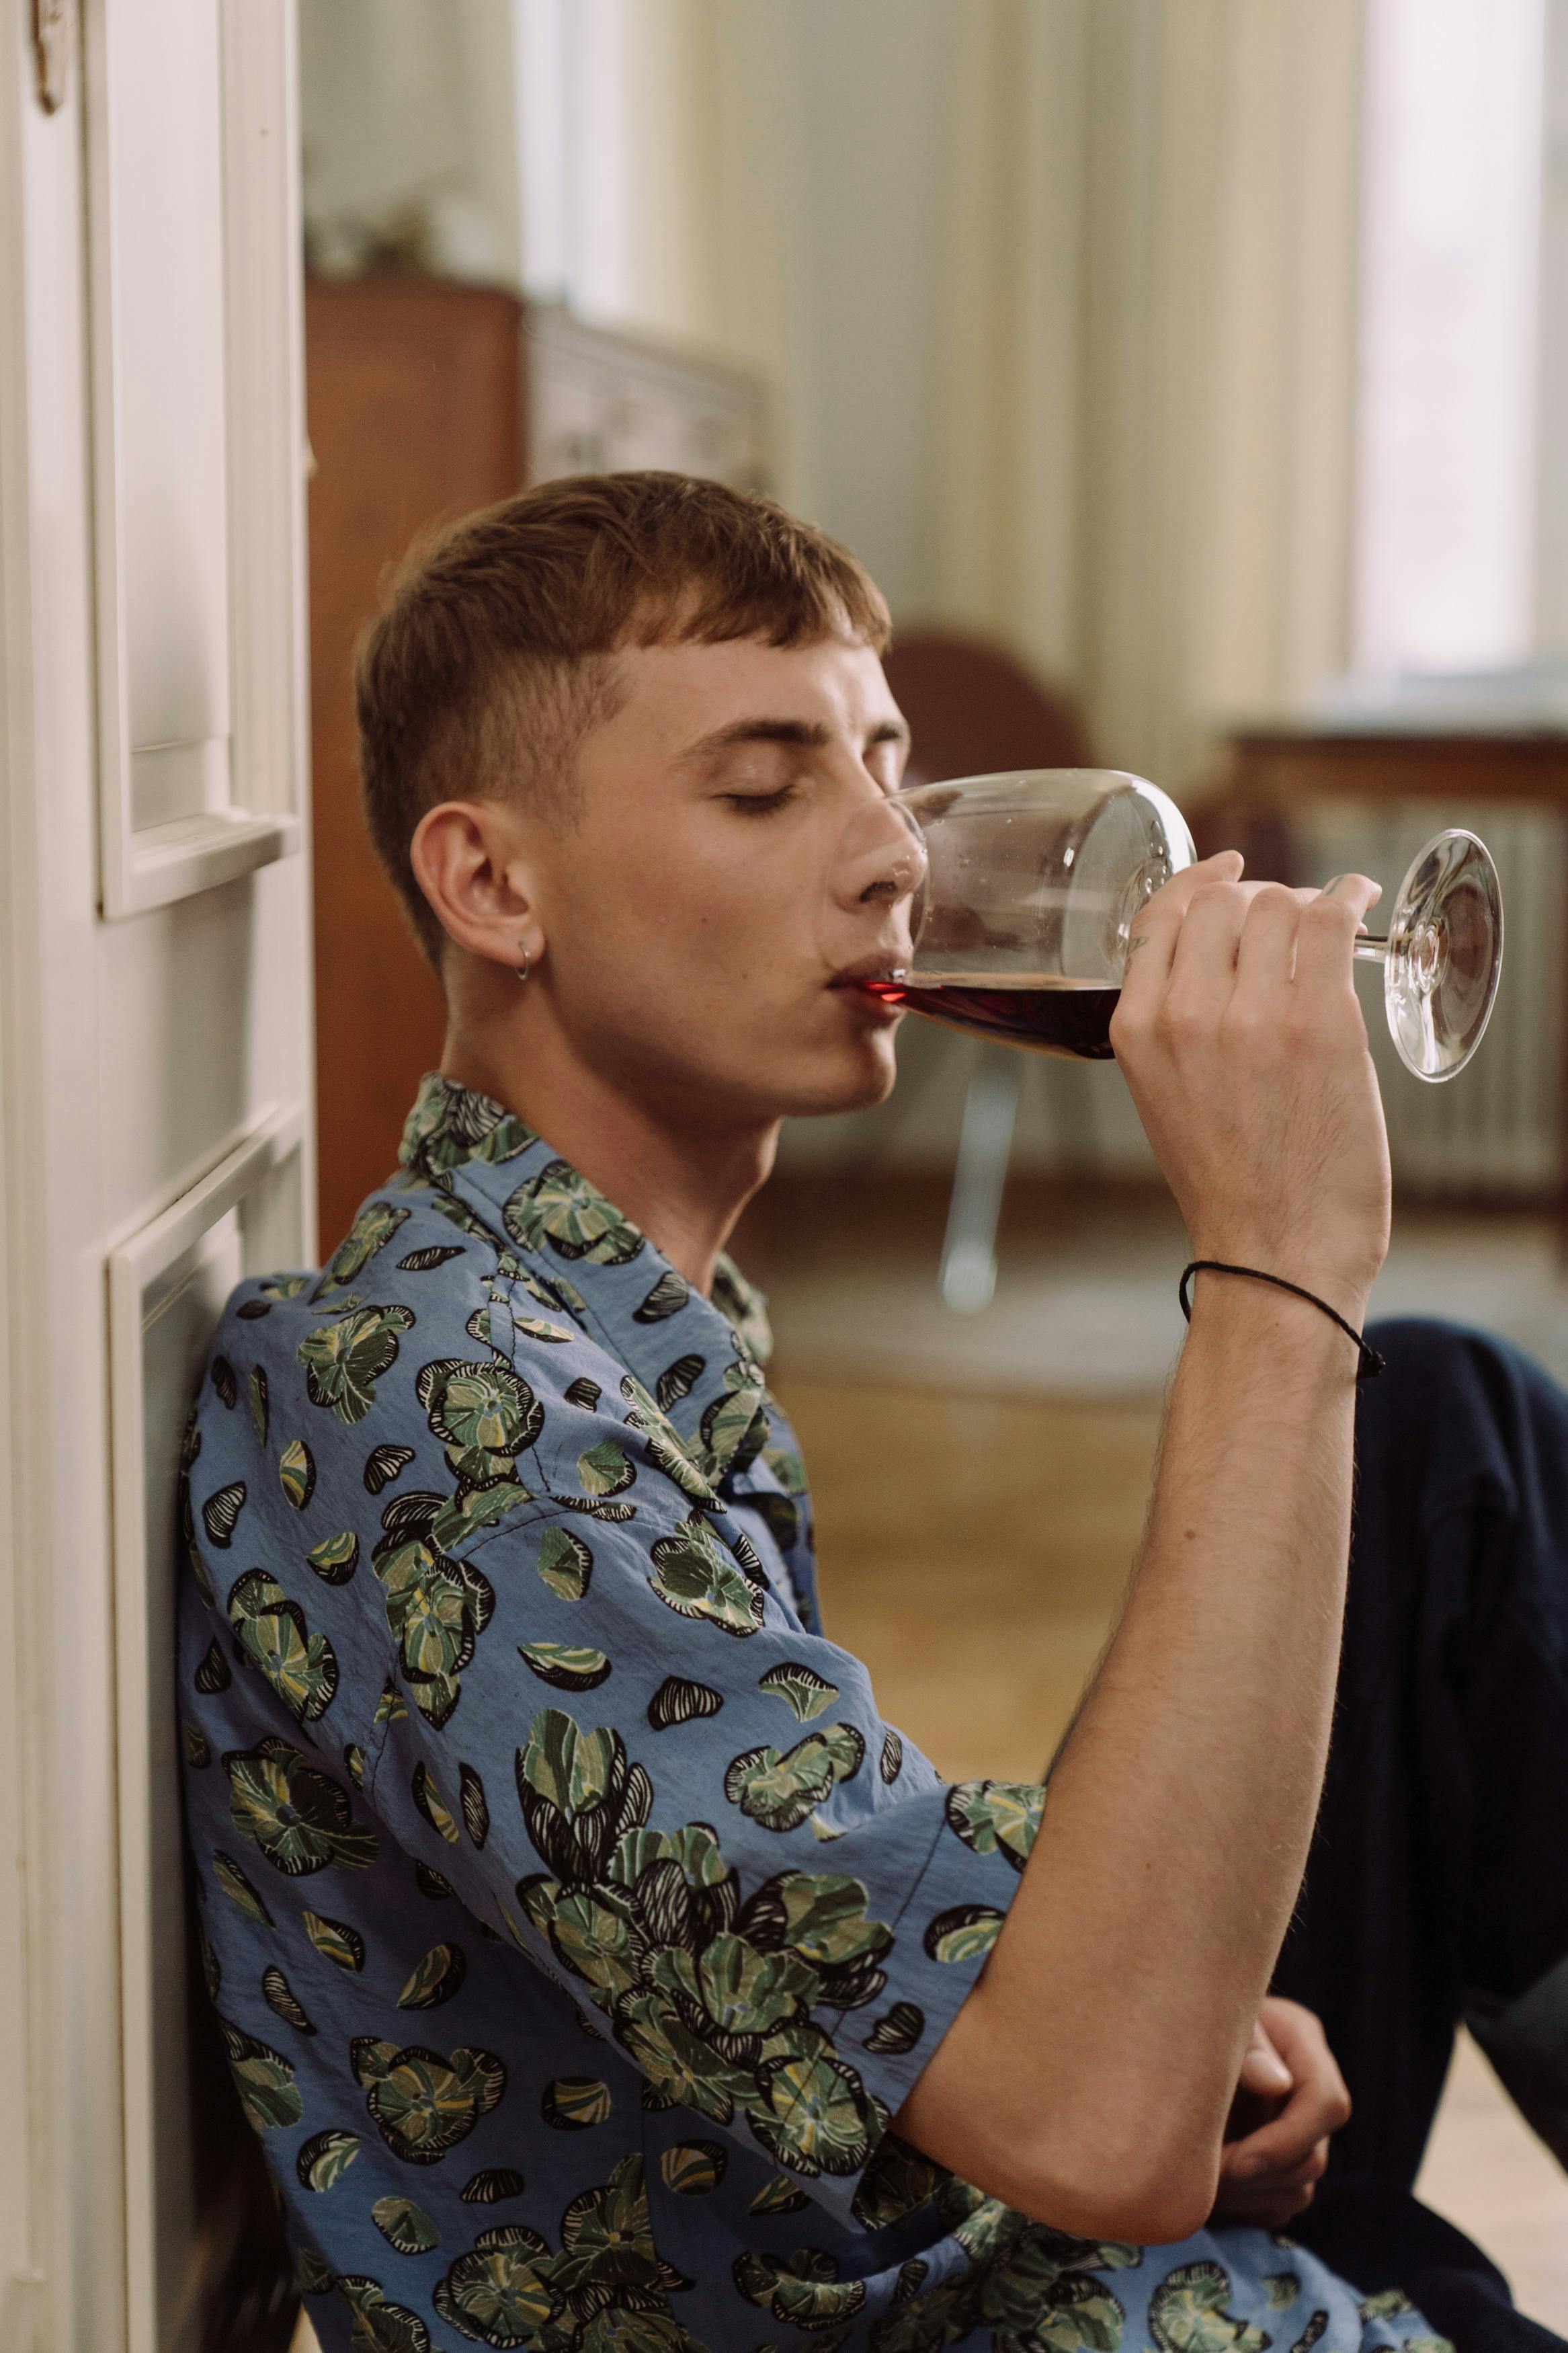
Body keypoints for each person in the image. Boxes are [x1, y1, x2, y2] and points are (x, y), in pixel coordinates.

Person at [178, 473, 1568, 2353]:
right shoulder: (450, 1422)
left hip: (974, 2225)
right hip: (970, 2298)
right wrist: (1282, 1264)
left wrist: (1116, 1978)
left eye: (885, 766)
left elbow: (786, 1848)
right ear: (492, 882)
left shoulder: (602, 1321)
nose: (890, 852)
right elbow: (1089, 2119)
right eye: (766, 786)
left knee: (1446, 1441)